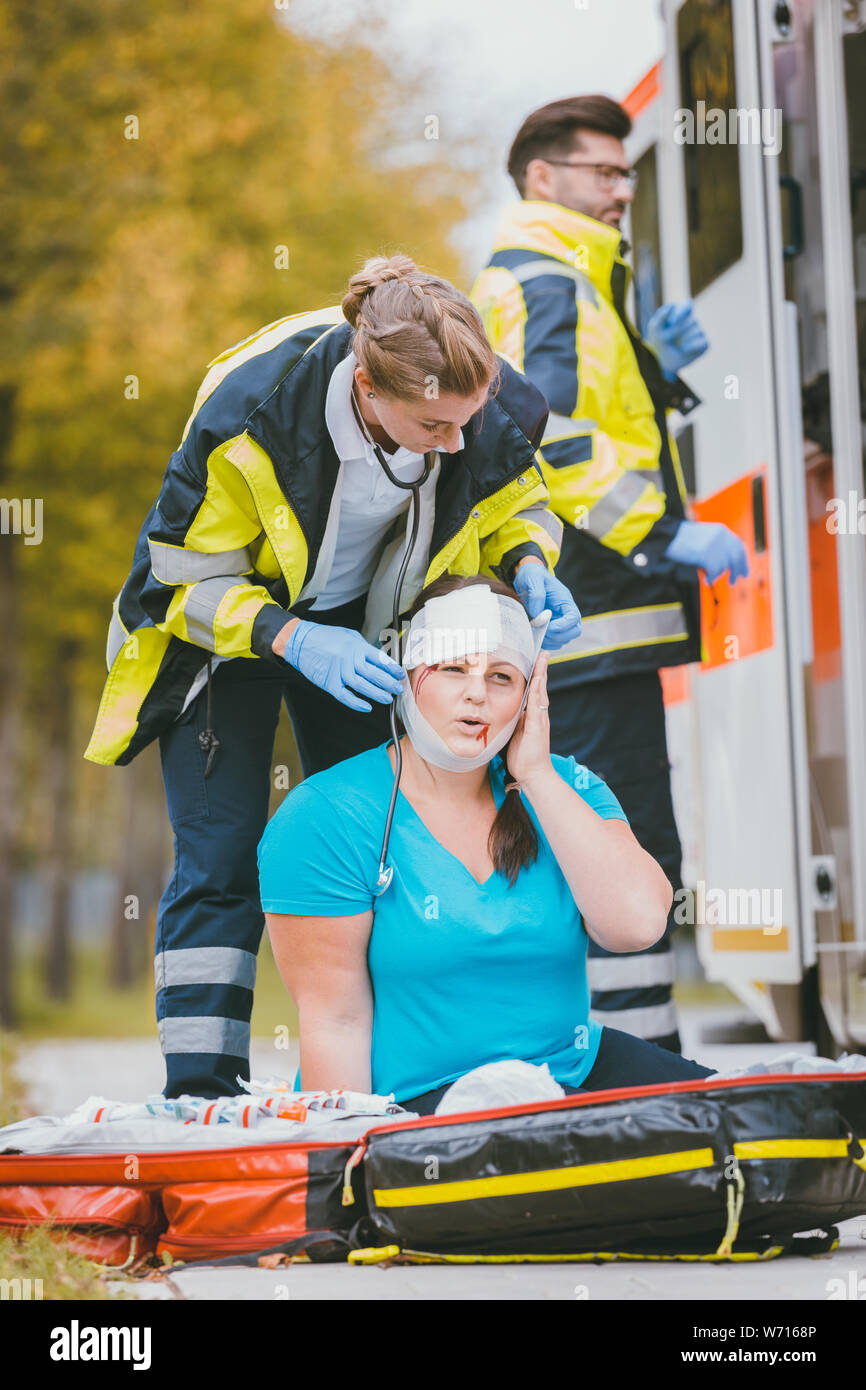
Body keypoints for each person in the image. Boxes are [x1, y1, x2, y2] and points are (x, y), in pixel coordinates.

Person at [84, 255, 583, 1100]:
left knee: (386, 841)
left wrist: (530, 562)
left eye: (467, 421)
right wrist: (290, 638)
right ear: (368, 388)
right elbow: (176, 581)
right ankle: (202, 1095)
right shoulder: (251, 412)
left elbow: (514, 504)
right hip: (223, 635)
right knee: (219, 854)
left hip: (368, 637)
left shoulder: (477, 397)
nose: (456, 442)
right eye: (434, 428)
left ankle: (396, 1081)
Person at [471, 96, 749, 1053]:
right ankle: (638, 1077)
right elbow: (568, 444)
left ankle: (618, 1061)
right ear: (544, 178)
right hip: (592, 616)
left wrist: (656, 371)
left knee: (591, 838)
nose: (623, 190)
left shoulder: (559, 276)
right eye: (604, 172)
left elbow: (573, 411)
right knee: (622, 849)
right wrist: (672, 532)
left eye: (628, 173)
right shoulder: (554, 281)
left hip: (584, 615)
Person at [259, 574, 716, 1112]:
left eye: (501, 676)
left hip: (566, 1072)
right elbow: (334, 1023)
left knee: (751, 1129)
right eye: (453, 667)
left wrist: (538, 776)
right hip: (414, 1101)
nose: (477, 692)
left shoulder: (566, 786)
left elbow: (637, 925)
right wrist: (354, 1170)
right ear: (408, 675)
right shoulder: (326, 814)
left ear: (529, 694)